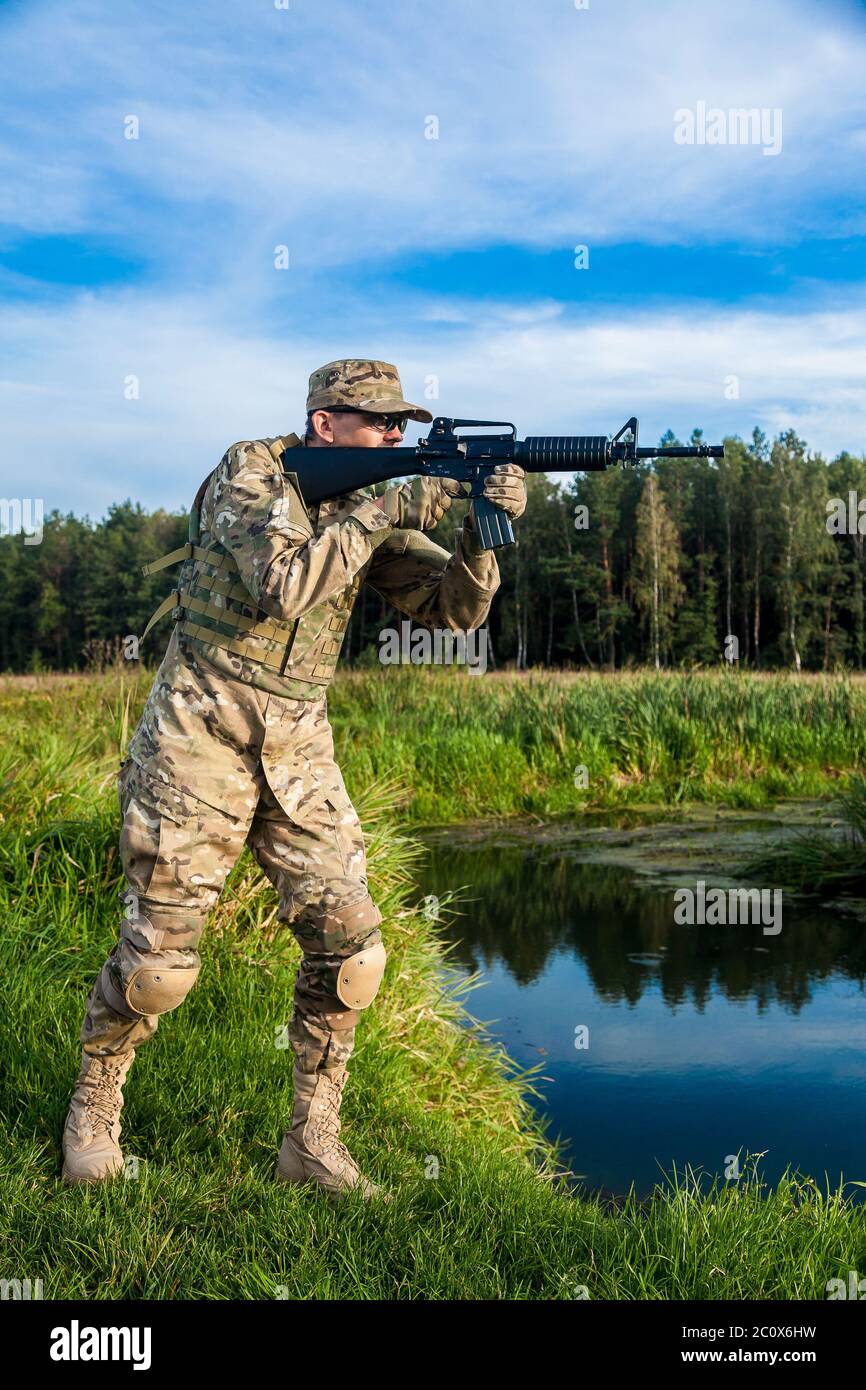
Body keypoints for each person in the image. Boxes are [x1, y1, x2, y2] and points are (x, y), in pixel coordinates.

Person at [61, 358, 527, 1199]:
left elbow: (453, 613)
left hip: (298, 738)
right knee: (160, 961)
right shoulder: (252, 470)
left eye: (403, 428)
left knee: (353, 948)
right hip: (198, 728)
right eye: (382, 424)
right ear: (326, 426)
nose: (397, 439)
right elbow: (284, 585)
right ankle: (94, 1107)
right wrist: (384, 502)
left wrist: (480, 533)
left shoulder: (363, 504)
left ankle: (311, 1142)